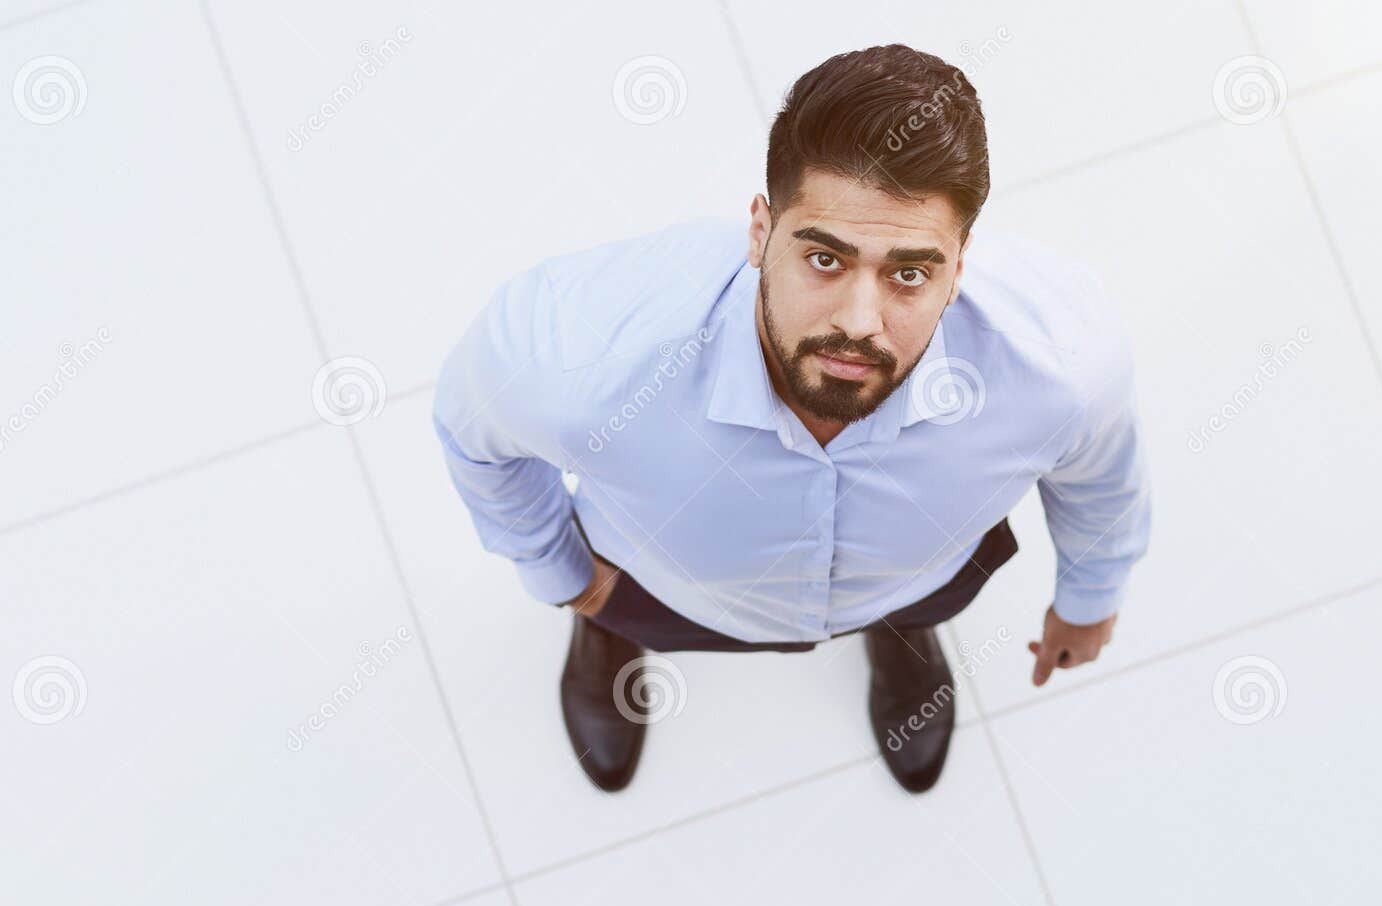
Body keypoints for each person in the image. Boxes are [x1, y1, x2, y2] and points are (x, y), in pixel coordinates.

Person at [433, 44, 1151, 794]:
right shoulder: (580, 355)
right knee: (615, 616)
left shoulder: (1059, 364)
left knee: (913, 602)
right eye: (825, 259)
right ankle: (606, 641)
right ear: (760, 230)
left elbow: (1100, 477)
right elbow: (471, 433)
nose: (859, 323)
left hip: (915, 579)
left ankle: (899, 631)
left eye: (909, 272)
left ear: (959, 265)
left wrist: (1090, 598)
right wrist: (566, 576)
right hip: (663, 589)